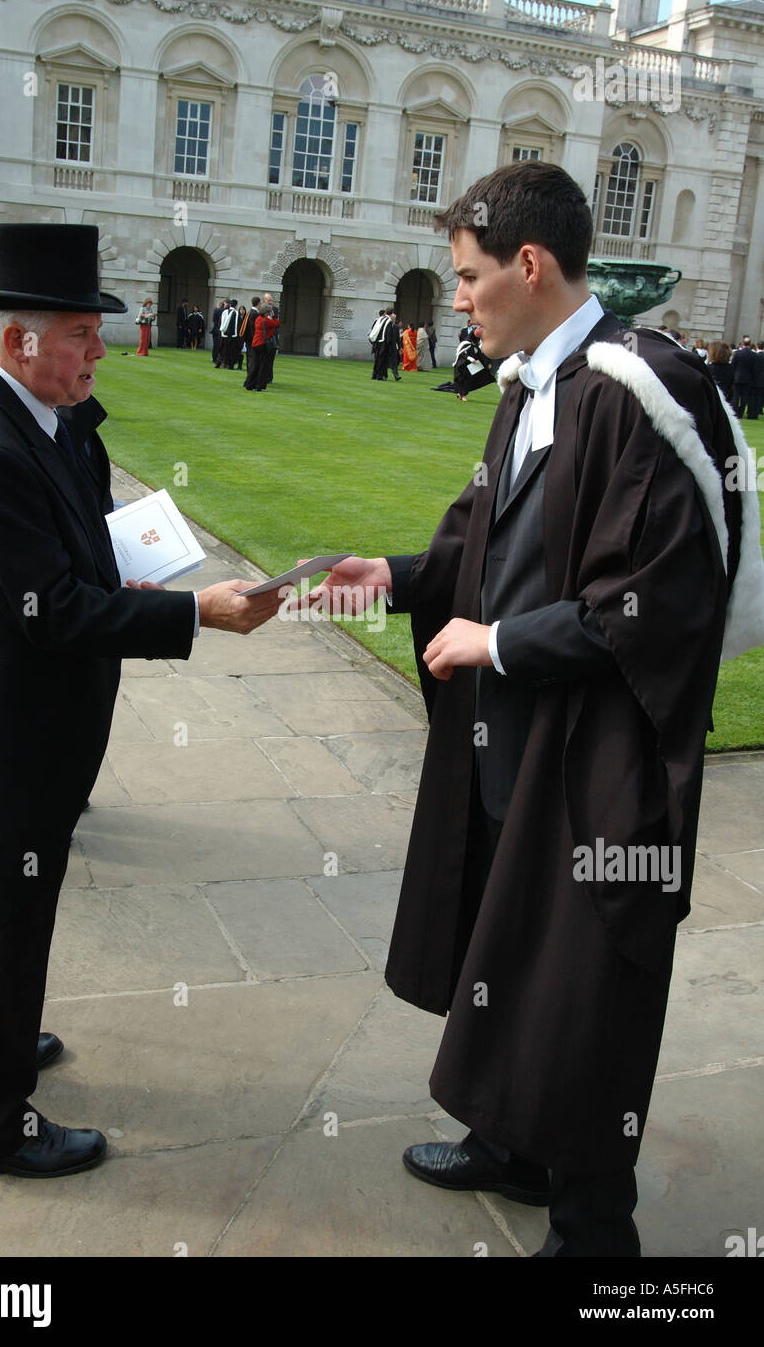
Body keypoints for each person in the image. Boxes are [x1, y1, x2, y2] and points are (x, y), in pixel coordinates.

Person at [309, 161, 764, 1257]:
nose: (454, 298)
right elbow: (484, 542)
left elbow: (657, 602)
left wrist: (499, 642)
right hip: (511, 734)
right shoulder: (528, 383)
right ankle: (510, 1145)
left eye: (467, 277)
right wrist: (399, 570)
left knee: (585, 991)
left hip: (597, 754)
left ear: (529, 263)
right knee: (504, 950)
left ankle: (596, 1230)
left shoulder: (645, 389)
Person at [0, 223, 284, 1180]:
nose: (100, 351)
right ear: (21, 339)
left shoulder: (18, 413)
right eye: (82, 333)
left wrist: (130, 575)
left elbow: (61, 561)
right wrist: (198, 615)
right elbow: (54, 615)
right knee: (7, 920)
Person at [245, 303, 280, 392]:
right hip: (263, 344)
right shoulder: (266, 320)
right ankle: (259, 385)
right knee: (263, 366)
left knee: (255, 365)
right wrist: (274, 316)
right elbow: (277, 324)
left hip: (256, 343)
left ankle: (250, 383)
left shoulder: (258, 319)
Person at [731, 338, 756, 418]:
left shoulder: (737, 353)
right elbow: (754, 368)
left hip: (737, 377)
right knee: (744, 397)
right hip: (748, 378)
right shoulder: (753, 354)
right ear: (749, 344)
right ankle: (741, 413)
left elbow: (733, 365)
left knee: (736, 396)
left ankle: (735, 412)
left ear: (743, 343)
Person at [241, 298, 261, 386]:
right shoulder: (255, 314)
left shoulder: (249, 312)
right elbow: (254, 329)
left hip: (249, 341)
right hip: (253, 341)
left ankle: (249, 379)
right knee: (253, 362)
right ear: (259, 303)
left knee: (250, 361)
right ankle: (249, 381)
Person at [262, 293, 279, 381]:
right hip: (264, 338)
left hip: (273, 338)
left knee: (271, 360)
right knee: (264, 359)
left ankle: (269, 377)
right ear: (264, 300)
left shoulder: (275, 310)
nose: (270, 302)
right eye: (269, 300)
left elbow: (276, 324)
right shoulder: (261, 310)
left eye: (271, 300)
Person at [750, 343, 764, 422]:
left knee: (752, 398)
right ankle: (756, 413)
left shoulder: (754, 356)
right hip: (762, 380)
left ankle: (751, 413)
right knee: (759, 398)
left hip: (754, 379)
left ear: (757, 346)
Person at [211, 298, 226, 366]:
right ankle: (218, 358)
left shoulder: (216, 310)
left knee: (215, 345)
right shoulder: (224, 310)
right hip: (221, 330)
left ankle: (214, 358)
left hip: (216, 329)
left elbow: (214, 320)